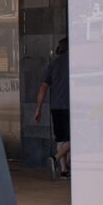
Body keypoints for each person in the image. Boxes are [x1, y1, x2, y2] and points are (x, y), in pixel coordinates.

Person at [33, 38, 71, 179]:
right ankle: (55, 158)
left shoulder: (53, 64)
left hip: (56, 107)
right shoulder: (75, 60)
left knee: (60, 138)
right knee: (75, 137)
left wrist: (38, 108)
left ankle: (63, 171)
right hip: (71, 105)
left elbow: (43, 87)